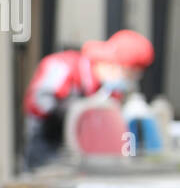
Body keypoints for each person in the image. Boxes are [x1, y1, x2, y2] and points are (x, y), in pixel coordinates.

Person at [22, 28, 154, 170]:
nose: (130, 80)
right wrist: (73, 110)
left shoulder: (108, 89)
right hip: (46, 145)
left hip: (82, 157)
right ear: (113, 64)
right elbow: (38, 103)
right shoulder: (63, 67)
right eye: (130, 74)